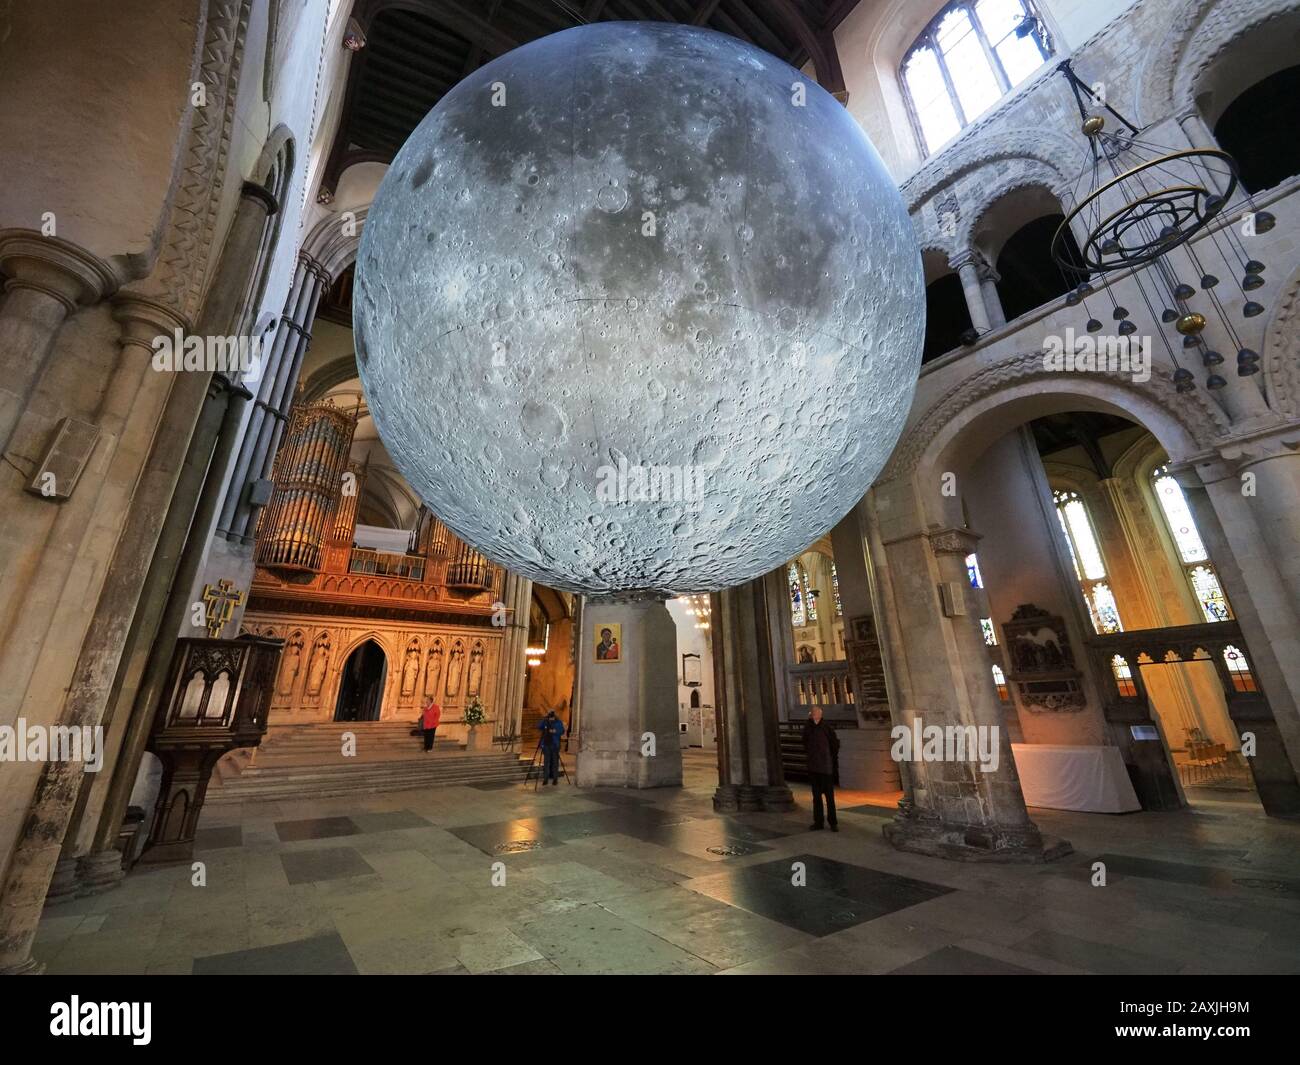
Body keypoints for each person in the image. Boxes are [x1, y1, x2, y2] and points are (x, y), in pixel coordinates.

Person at [802, 705, 839, 831]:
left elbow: (834, 744)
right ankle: (818, 822)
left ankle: (833, 822)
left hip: (826, 767)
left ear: (821, 714)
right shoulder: (808, 728)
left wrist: (830, 759)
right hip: (814, 767)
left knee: (829, 797)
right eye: (813, 713)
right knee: (816, 797)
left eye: (817, 713)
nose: (815, 715)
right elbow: (805, 743)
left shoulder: (826, 728)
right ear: (811, 715)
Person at [537, 708, 565, 784]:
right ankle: (545, 779)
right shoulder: (545, 721)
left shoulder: (558, 722)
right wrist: (545, 718)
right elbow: (539, 726)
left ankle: (555, 779)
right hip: (546, 745)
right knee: (546, 762)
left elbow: (562, 731)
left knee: (555, 763)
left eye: (551, 713)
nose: (551, 715)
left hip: (555, 745)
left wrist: (555, 731)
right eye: (549, 713)